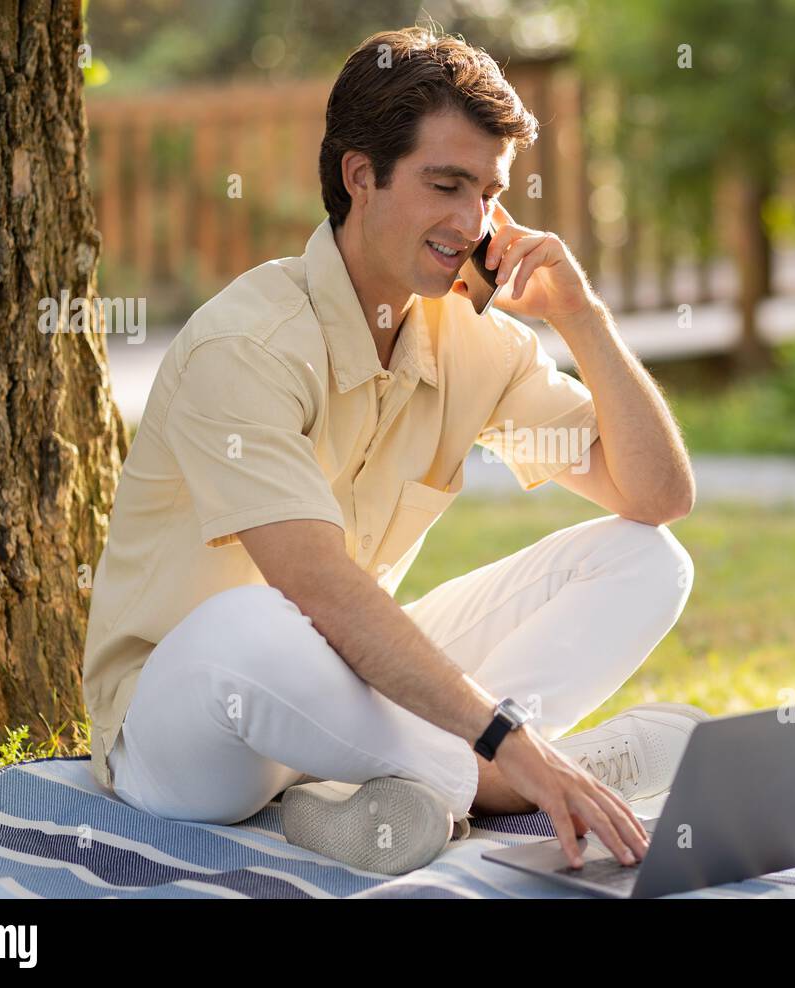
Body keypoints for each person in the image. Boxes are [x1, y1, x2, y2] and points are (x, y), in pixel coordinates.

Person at [82, 25, 701, 877]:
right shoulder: (248, 345)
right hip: (189, 732)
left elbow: (656, 495)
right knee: (254, 622)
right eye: (445, 185)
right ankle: (506, 778)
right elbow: (320, 591)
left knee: (646, 559)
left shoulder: (468, 338)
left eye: (488, 192)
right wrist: (511, 741)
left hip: (354, 694)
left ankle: (402, 794)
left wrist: (579, 316)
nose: (472, 222)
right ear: (360, 175)